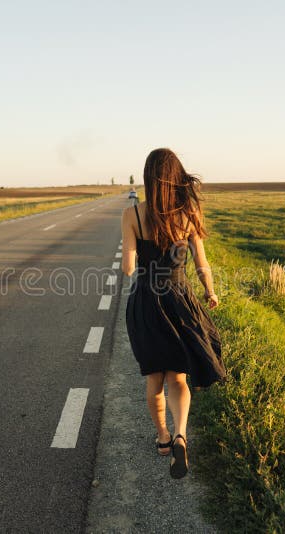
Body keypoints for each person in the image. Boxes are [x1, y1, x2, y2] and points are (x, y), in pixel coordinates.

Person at [120, 148, 226, 479]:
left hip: (147, 300)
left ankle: (163, 438)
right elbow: (202, 263)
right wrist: (209, 291)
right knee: (178, 377)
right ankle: (181, 433)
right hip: (180, 298)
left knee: (155, 376)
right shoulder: (189, 213)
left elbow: (127, 269)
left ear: (149, 178)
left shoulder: (133, 215)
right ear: (177, 176)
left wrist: (139, 254)